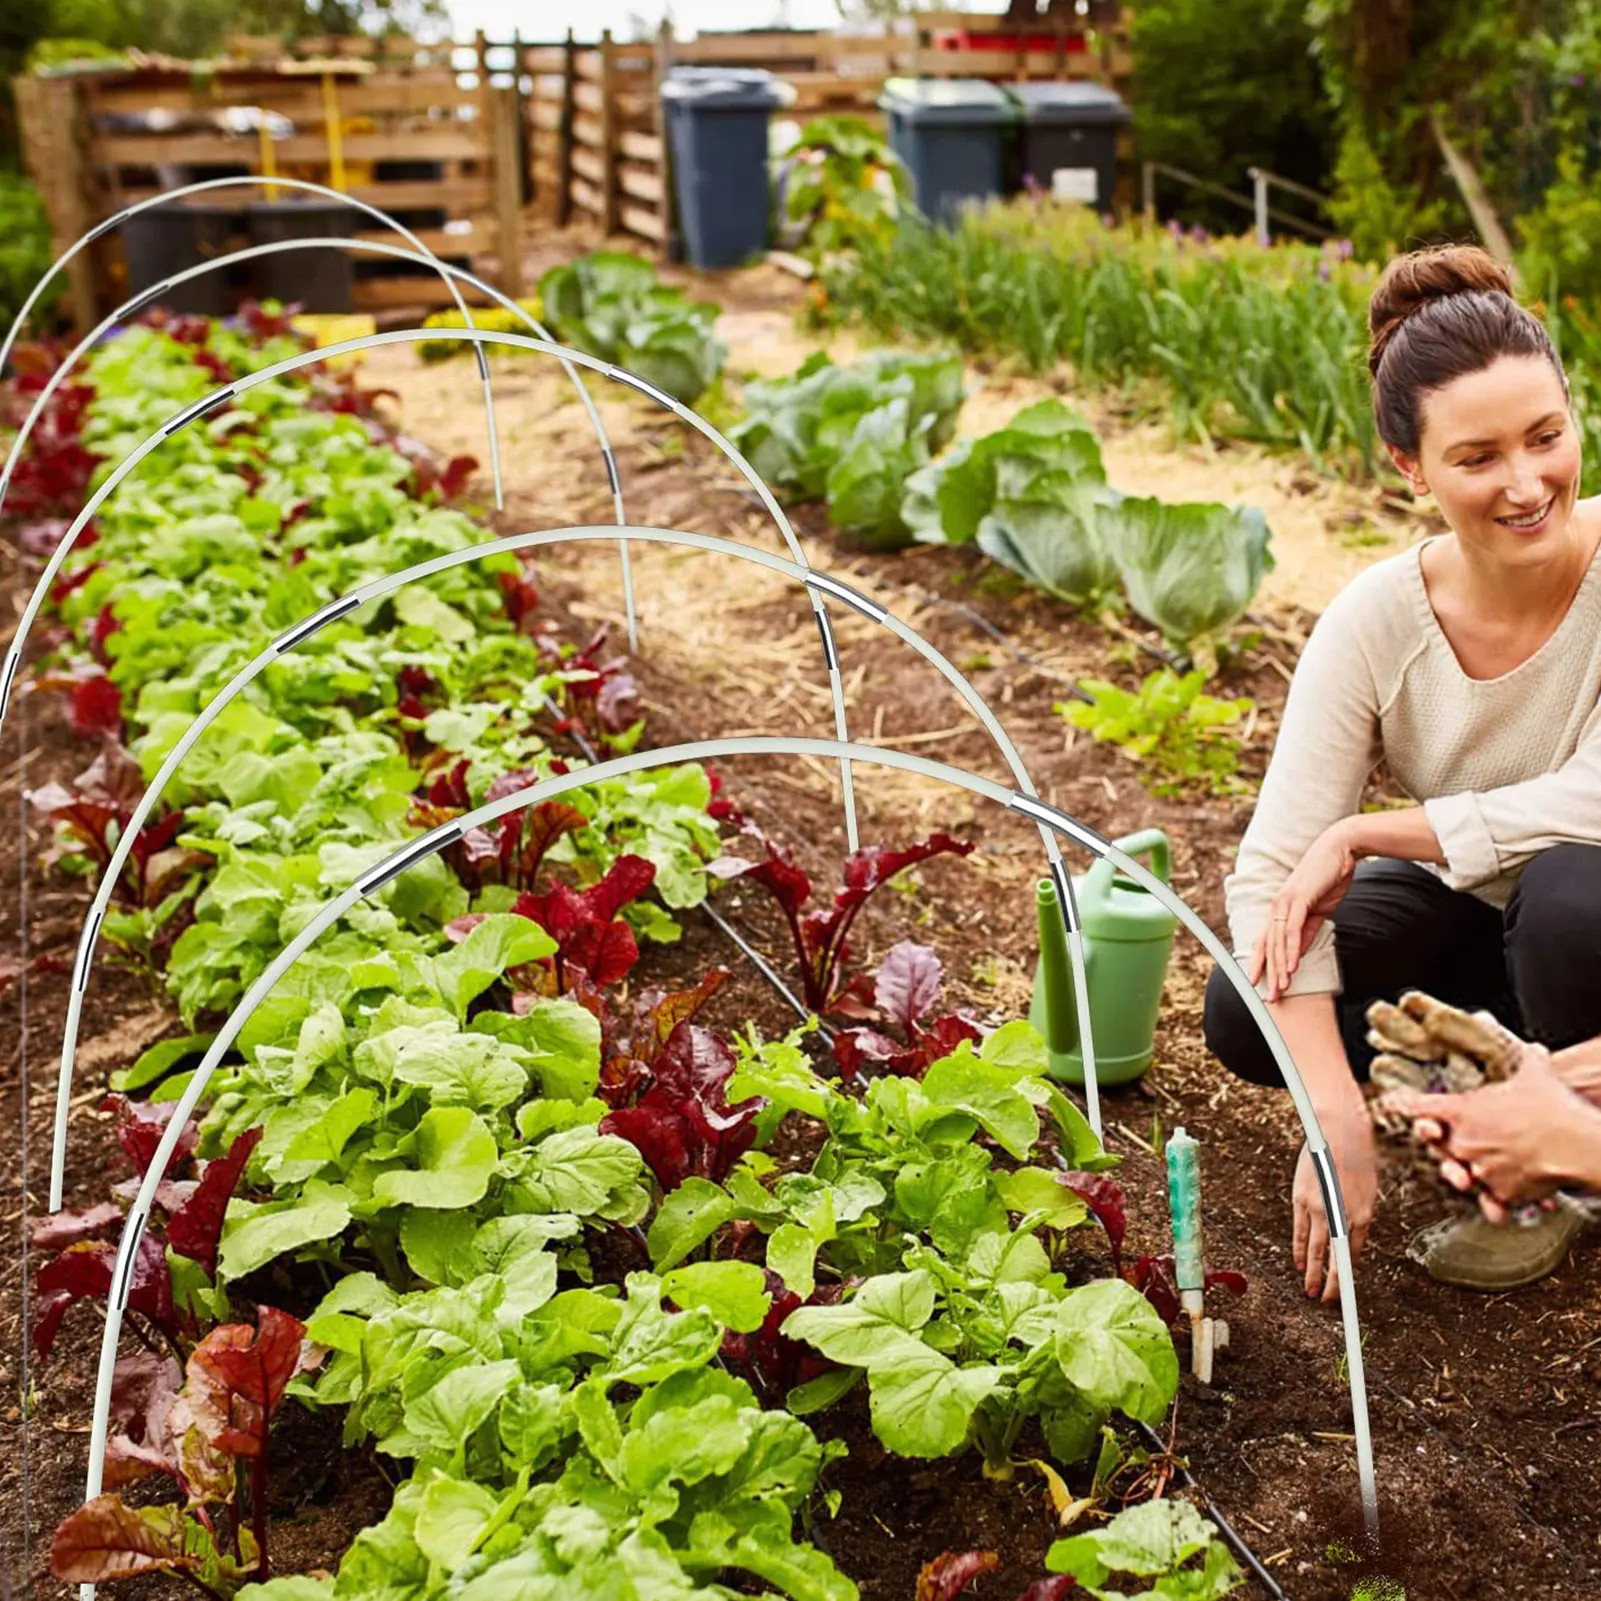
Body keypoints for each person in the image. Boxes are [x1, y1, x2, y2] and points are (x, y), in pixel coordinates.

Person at [1201, 242, 1601, 1301]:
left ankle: (1554, 1165)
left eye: (1546, 437)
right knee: (1251, 1002)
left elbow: (1594, 798)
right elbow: (1270, 874)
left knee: (1569, 893)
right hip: (1485, 928)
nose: (1525, 484)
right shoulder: (1374, 622)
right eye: (1476, 458)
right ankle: (1483, 1073)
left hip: (1585, 922)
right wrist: (1330, 1111)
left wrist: (1372, 830)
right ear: (1408, 467)